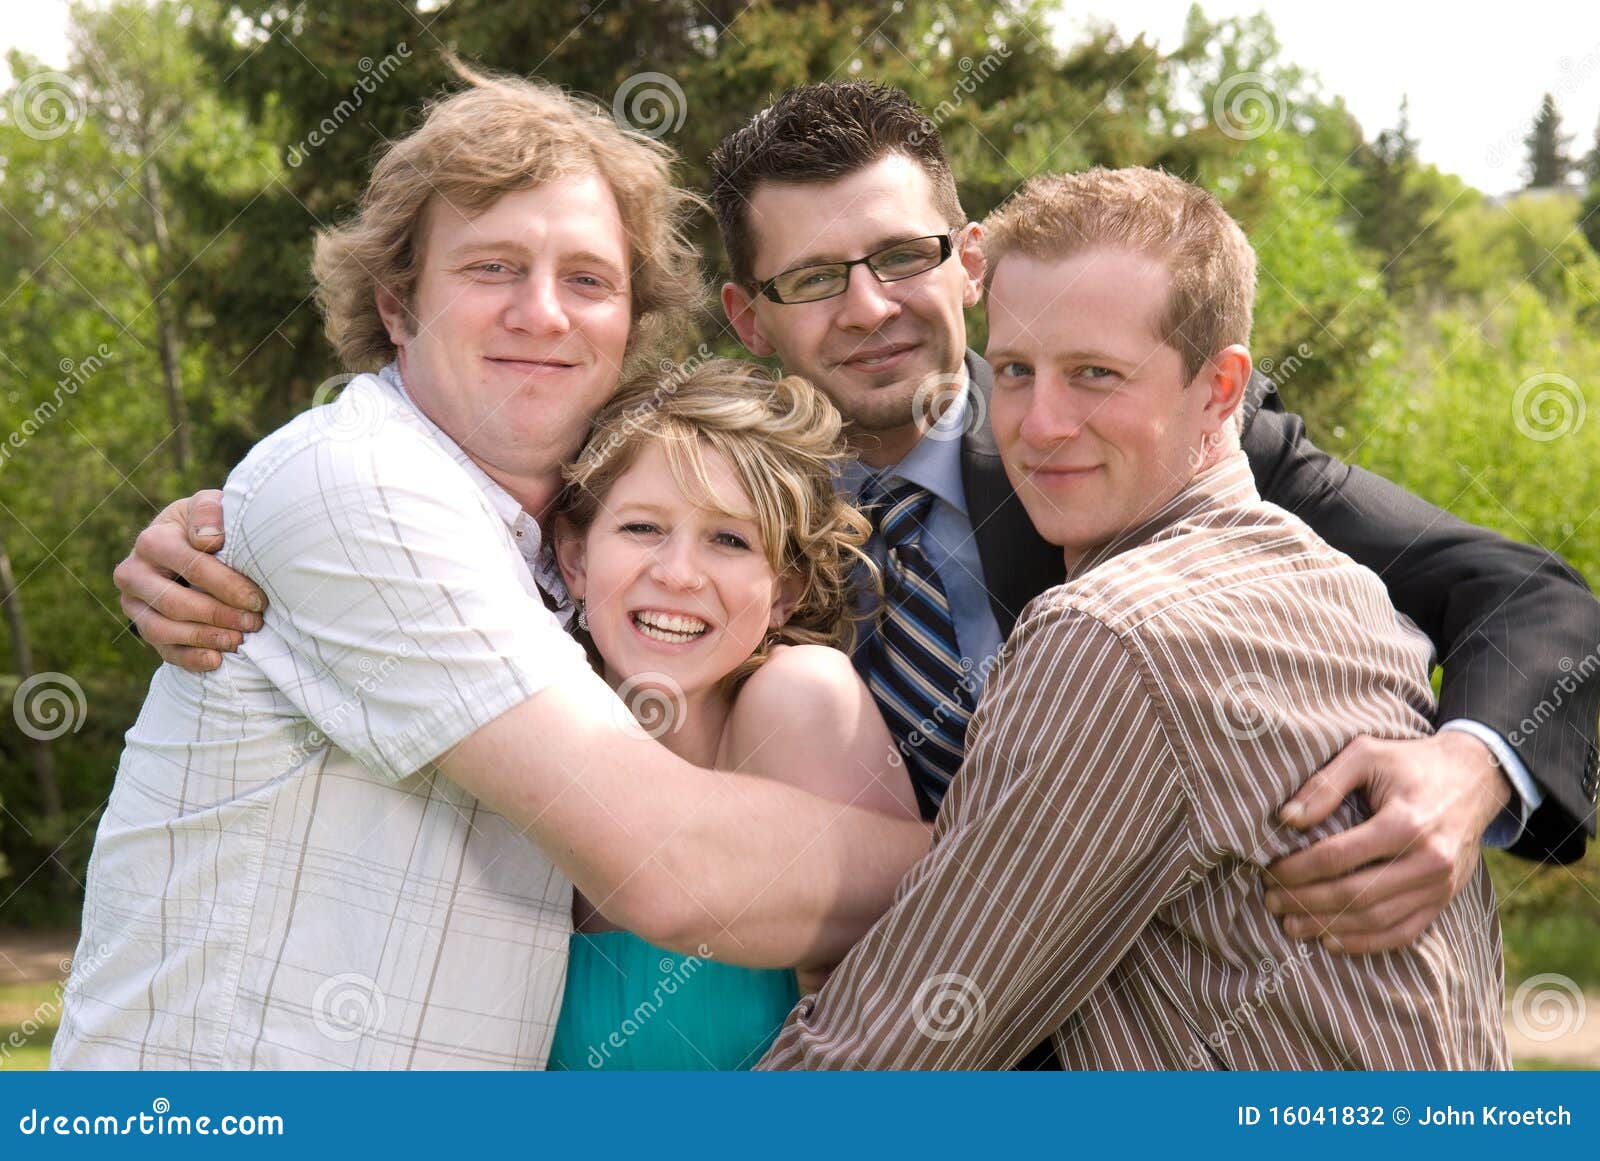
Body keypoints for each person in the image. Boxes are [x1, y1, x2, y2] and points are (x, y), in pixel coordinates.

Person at [122, 85, 1599, 970]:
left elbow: (1535, 601)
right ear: (750, 317)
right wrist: (219, 532)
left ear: (967, 260)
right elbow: (470, 484)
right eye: (818, 279)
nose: (874, 306)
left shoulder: (1164, 428)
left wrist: (1470, 770)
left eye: (903, 257)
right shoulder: (719, 515)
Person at [53, 66, 930, 1071]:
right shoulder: (359, 485)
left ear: (631, 324)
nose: (543, 314)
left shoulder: (549, 555)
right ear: (395, 307)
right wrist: (1007, 860)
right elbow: (666, 863)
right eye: (492, 268)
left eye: (590, 280)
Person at [757, 167, 1511, 1070]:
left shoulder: (1111, 634)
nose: (1039, 425)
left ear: (1222, 388)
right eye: (1015, 372)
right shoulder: (1347, 591)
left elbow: (876, 1060)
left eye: (1094, 376)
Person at [544, 360, 917, 1070]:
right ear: (574, 557)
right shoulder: (520, 735)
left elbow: (877, 1046)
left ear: (783, 592)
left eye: (729, 540)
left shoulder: (798, 703)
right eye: (644, 526)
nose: (680, 573)